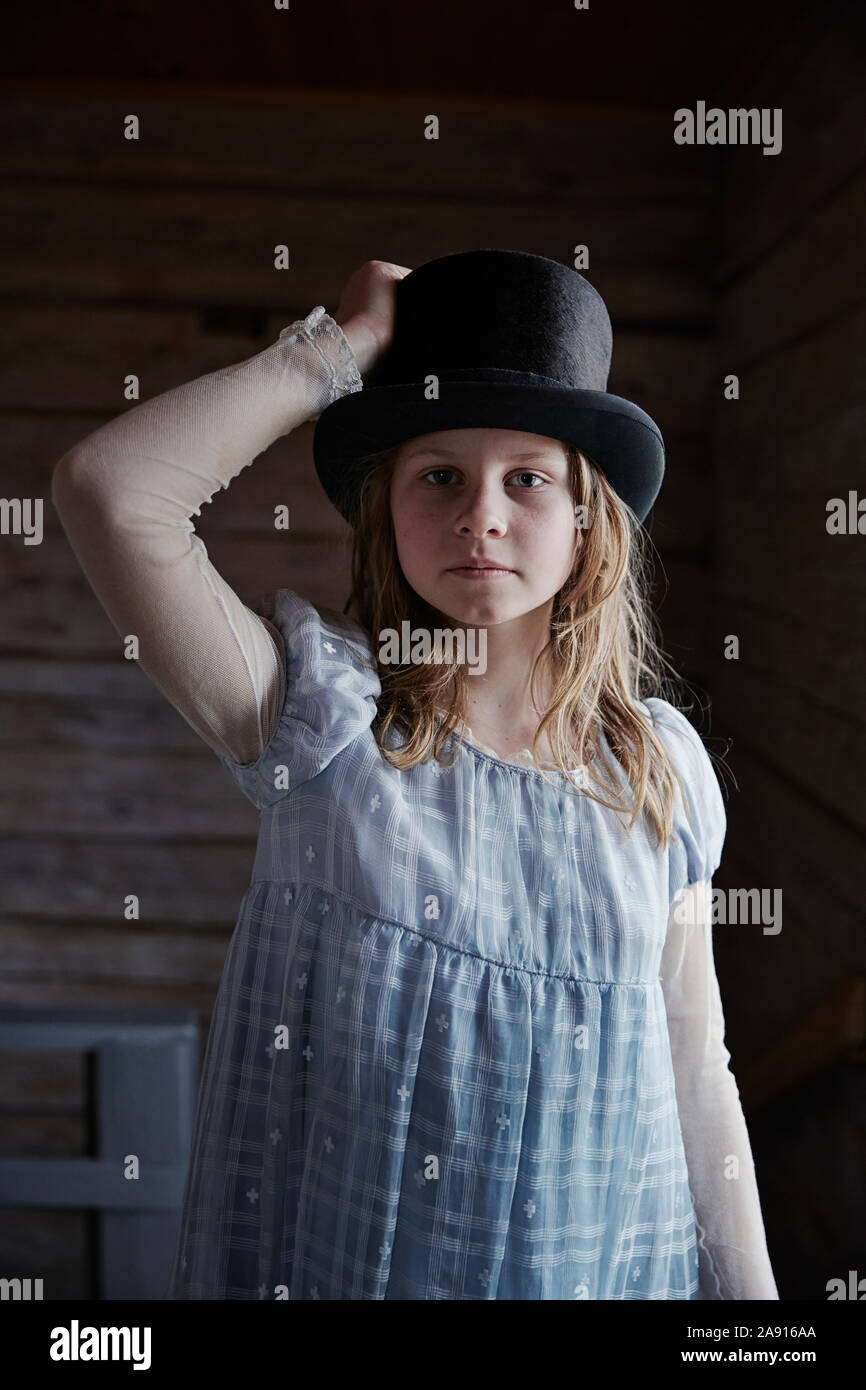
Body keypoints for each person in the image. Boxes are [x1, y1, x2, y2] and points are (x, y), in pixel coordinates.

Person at [51, 250, 779, 1300]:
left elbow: (695, 1070)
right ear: (386, 507)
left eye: (527, 478)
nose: (481, 514)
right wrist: (334, 353)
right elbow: (109, 493)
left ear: (587, 519)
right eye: (438, 475)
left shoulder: (655, 770)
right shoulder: (317, 719)